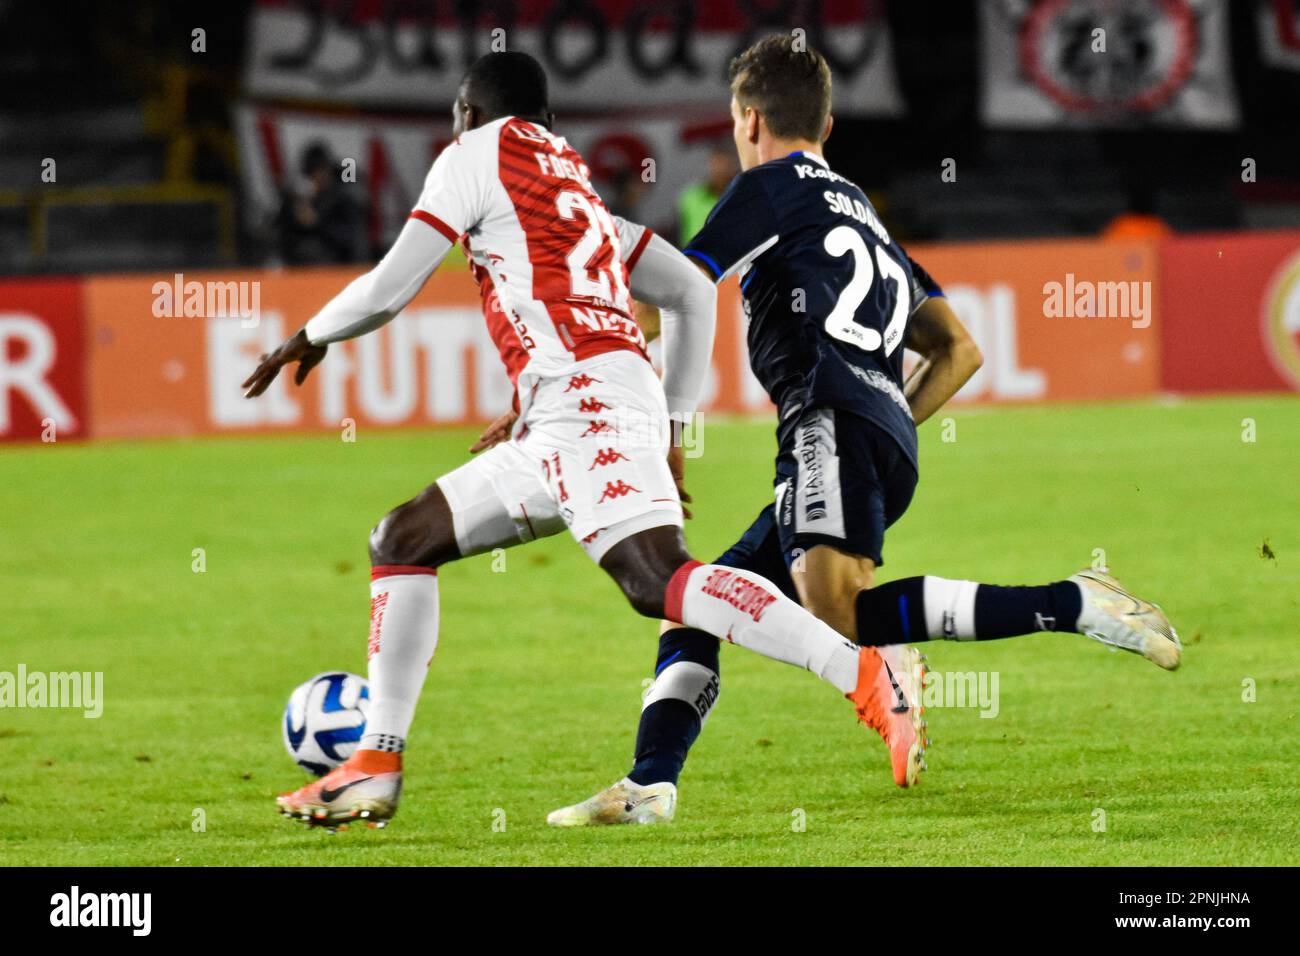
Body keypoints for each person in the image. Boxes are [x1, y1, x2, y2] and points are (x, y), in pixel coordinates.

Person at [242, 50, 920, 830]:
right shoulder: (572, 187)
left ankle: (860, 672)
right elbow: (691, 291)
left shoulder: (472, 154)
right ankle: (375, 764)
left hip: (584, 405)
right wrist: (669, 426)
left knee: (656, 581)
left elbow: (393, 285)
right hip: (569, 410)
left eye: (460, 113)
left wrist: (309, 333)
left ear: (469, 112)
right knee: (402, 537)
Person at [547, 35, 1182, 827]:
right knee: (703, 602)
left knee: (835, 612)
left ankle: (1071, 601)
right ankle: (650, 783)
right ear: (829, 121)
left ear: (747, 119)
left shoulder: (770, 186)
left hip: (826, 421)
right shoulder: (864, 215)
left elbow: (674, 291)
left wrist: (577, 372)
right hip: (879, 433)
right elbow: (961, 349)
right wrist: (884, 415)